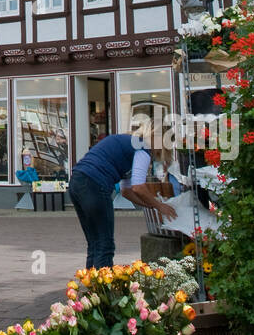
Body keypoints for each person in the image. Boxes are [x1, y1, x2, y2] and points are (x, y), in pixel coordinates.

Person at [68, 116, 177, 270]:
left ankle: (90, 289)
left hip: (77, 182)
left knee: (94, 243)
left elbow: (126, 191)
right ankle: (104, 290)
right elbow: (138, 187)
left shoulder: (130, 143)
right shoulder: (142, 148)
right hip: (95, 184)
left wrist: (151, 205)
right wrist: (160, 206)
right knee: (105, 244)